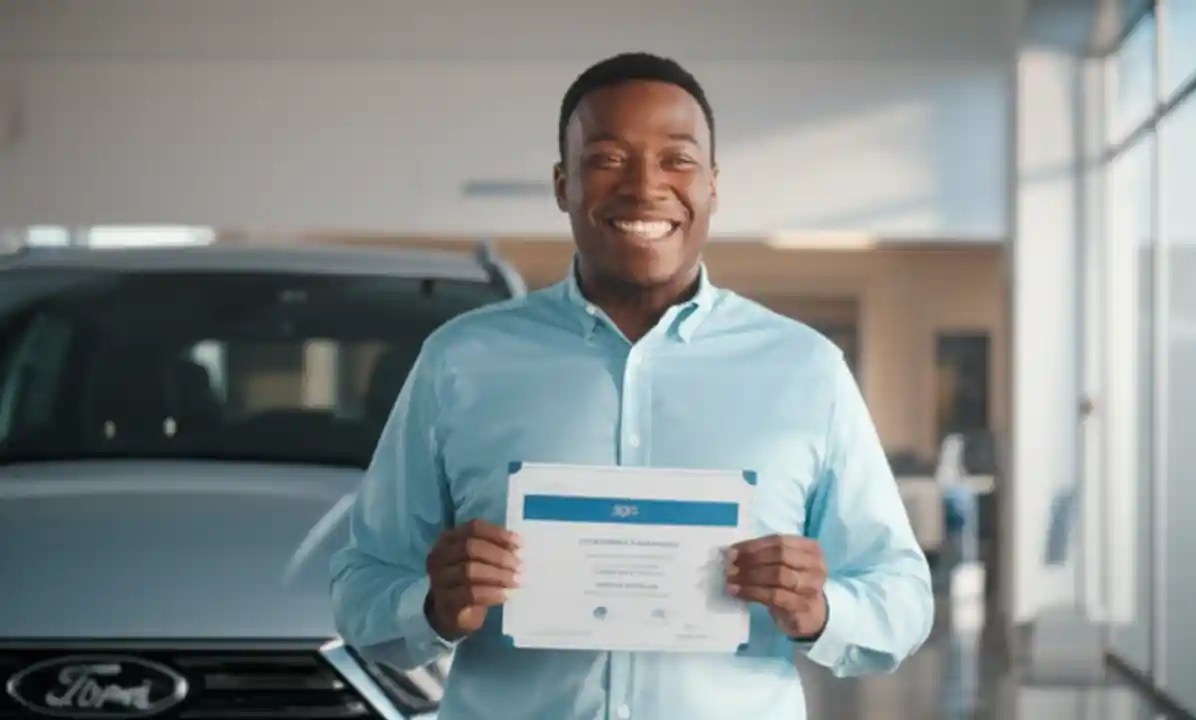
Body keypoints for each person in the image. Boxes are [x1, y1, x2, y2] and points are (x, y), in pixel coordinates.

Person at [330, 52, 934, 720]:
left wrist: (821, 610)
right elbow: (362, 585)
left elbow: (901, 597)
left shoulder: (805, 369)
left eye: (677, 159)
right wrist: (431, 605)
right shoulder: (460, 361)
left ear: (711, 185)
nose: (645, 188)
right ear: (564, 185)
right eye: (609, 158)